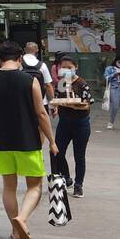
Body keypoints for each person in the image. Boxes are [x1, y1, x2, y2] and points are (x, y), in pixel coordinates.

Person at [0, 41, 59, 239]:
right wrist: (51, 140)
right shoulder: (30, 80)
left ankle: (15, 231)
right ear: (20, 58)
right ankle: (22, 219)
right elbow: (41, 113)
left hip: (1, 139)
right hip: (27, 139)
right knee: (34, 186)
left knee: (9, 186)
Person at [49, 56, 93, 198]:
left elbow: (86, 104)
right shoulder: (61, 83)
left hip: (81, 123)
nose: (66, 70)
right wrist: (56, 107)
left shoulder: (81, 83)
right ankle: (67, 178)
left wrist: (69, 104)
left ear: (75, 67)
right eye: (63, 67)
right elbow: (57, 99)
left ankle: (78, 185)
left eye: (69, 67)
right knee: (56, 152)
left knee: (79, 156)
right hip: (64, 122)